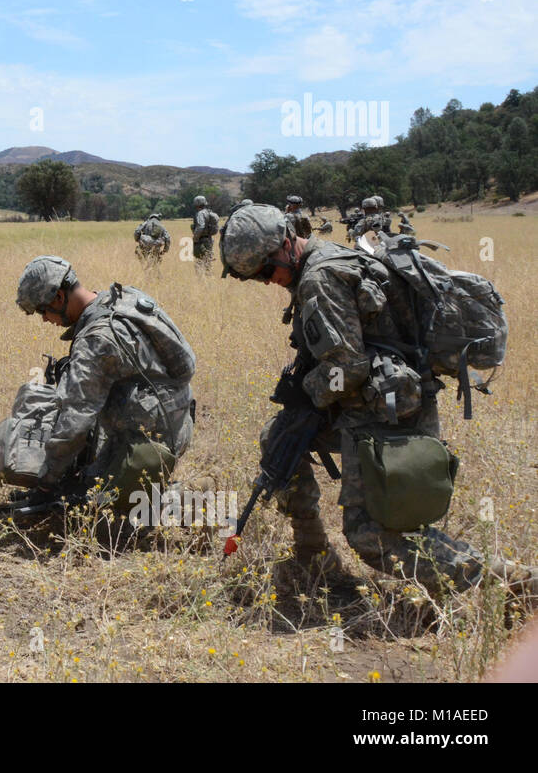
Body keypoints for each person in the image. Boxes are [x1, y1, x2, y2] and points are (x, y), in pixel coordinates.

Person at [219, 205, 535, 602]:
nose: (267, 282)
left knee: (370, 535)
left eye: (267, 270)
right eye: (256, 278)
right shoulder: (327, 257)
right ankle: (313, 554)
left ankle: (511, 582)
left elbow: (346, 369)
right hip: (381, 399)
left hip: (384, 413)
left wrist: (307, 389)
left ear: (286, 244)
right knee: (280, 438)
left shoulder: (320, 278)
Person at [8, 256, 195, 520]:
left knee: (94, 507)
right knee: (80, 486)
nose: (45, 320)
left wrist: (46, 482)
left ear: (59, 298)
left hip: (154, 441)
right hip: (178, 418)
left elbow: (75, 423)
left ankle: (191, 501)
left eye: (43, 311)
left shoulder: (96, 340)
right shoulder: (120, 298)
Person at [190, 196, 220, 271]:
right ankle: (208, 279)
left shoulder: (200, 213)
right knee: (207, 262)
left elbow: (200, 226)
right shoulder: (208, 212)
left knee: (199, 263)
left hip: (201, 241)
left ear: (196, 204)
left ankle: (200, 280)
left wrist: (195, 238)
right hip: (208, 240)